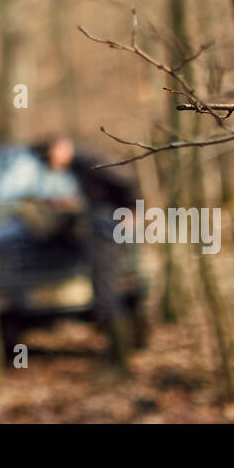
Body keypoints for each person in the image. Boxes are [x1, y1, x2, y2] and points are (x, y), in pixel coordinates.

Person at [32, 136, 147, 366]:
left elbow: (124, 181)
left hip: (105, 227)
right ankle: (117, 356)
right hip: (101, 224)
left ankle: (120, 361)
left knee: (107, 292)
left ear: (60, 147)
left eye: (48, 158)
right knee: (104, 291)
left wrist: (134, 209)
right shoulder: (78, 166)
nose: (51, 165)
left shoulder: (89, 160)